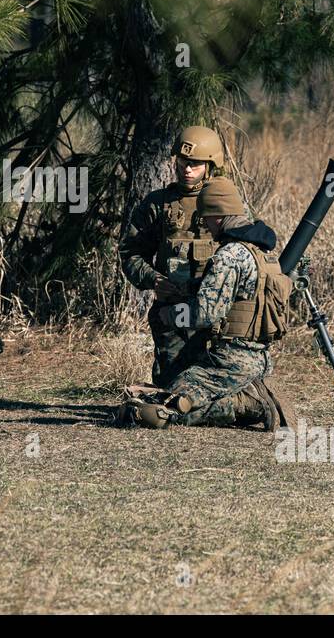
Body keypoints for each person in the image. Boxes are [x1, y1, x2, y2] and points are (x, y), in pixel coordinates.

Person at [117, 176, 295, 431]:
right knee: (170, 399)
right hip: (259, 358)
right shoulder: (265, 254)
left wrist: (170, 315)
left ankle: (252, 404)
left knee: (166, 408)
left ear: (218, 215)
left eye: (207, 218)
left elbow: (206, 313)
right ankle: (251, 395)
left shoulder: (230, 255)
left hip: (230, 360)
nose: (206, 226)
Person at [117, 125, 230, 388]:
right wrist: (153, 279)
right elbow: (130, 252)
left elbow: (249, 252)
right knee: (172, 392)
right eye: (182, 162)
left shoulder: (226, 201)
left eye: (195, 164)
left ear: (211, 165)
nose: (187, 169)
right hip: (175, 313)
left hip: (217, 314)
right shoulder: (158, 204)